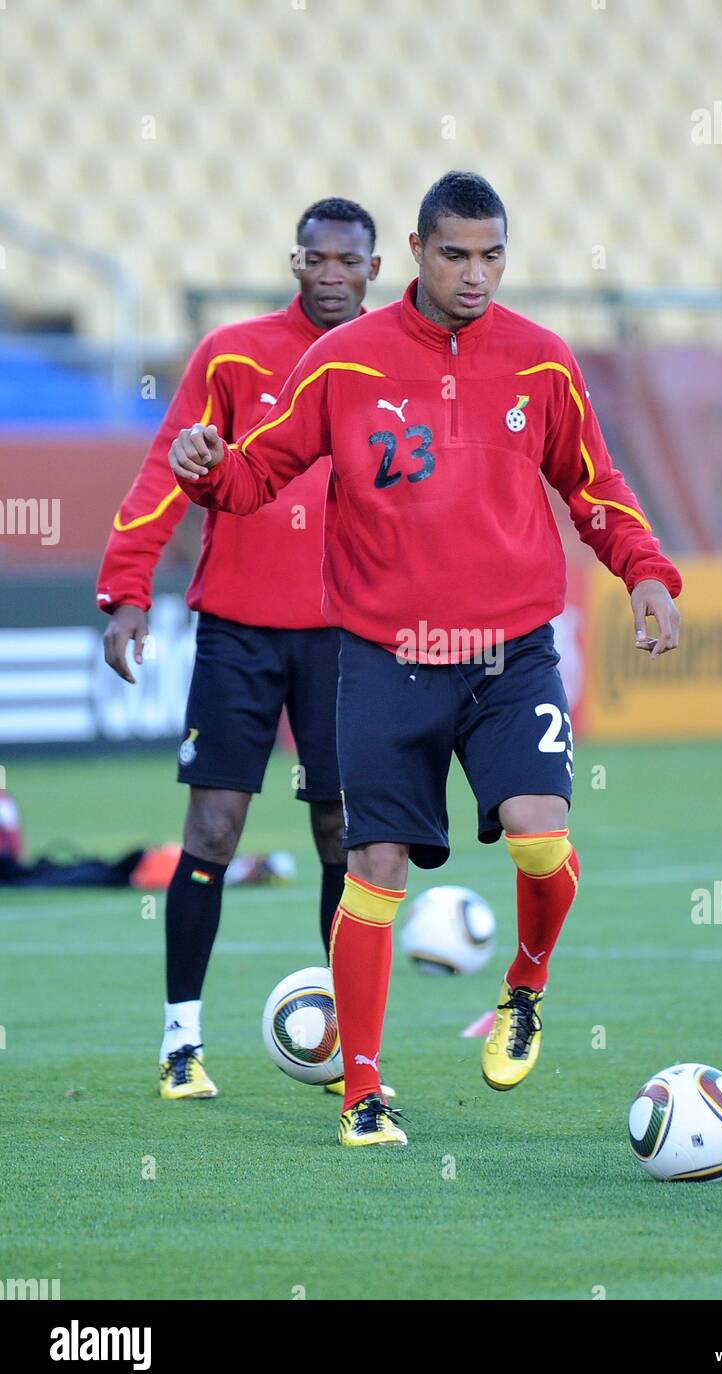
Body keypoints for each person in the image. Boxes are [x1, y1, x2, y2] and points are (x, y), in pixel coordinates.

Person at [170, 171, 682, 1144]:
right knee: (374, 868)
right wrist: (209, 469)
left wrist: (645, 571)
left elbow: (594, 483)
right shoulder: (343, 362)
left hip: (510, 652)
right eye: (456, 254)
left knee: (541, 837)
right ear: (415, 250)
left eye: (493, 255)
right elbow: (257, 472)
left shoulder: (542, 362)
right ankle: (362, 1090)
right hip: (382, 658)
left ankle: (524, 985)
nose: (476, 273)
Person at [98, 198, 381, 1100]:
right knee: (212, 832)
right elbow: (164, 471)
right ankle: (182, 1041)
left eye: (349, 261)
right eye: (317, 258)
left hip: (347, 634)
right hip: (238, 631)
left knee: (343, 832)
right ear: (295, 262)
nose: (332, 274)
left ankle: (352, 1054)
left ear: (376, 268)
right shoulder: (231, 354)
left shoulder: (397, 363)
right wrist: (127, 589)